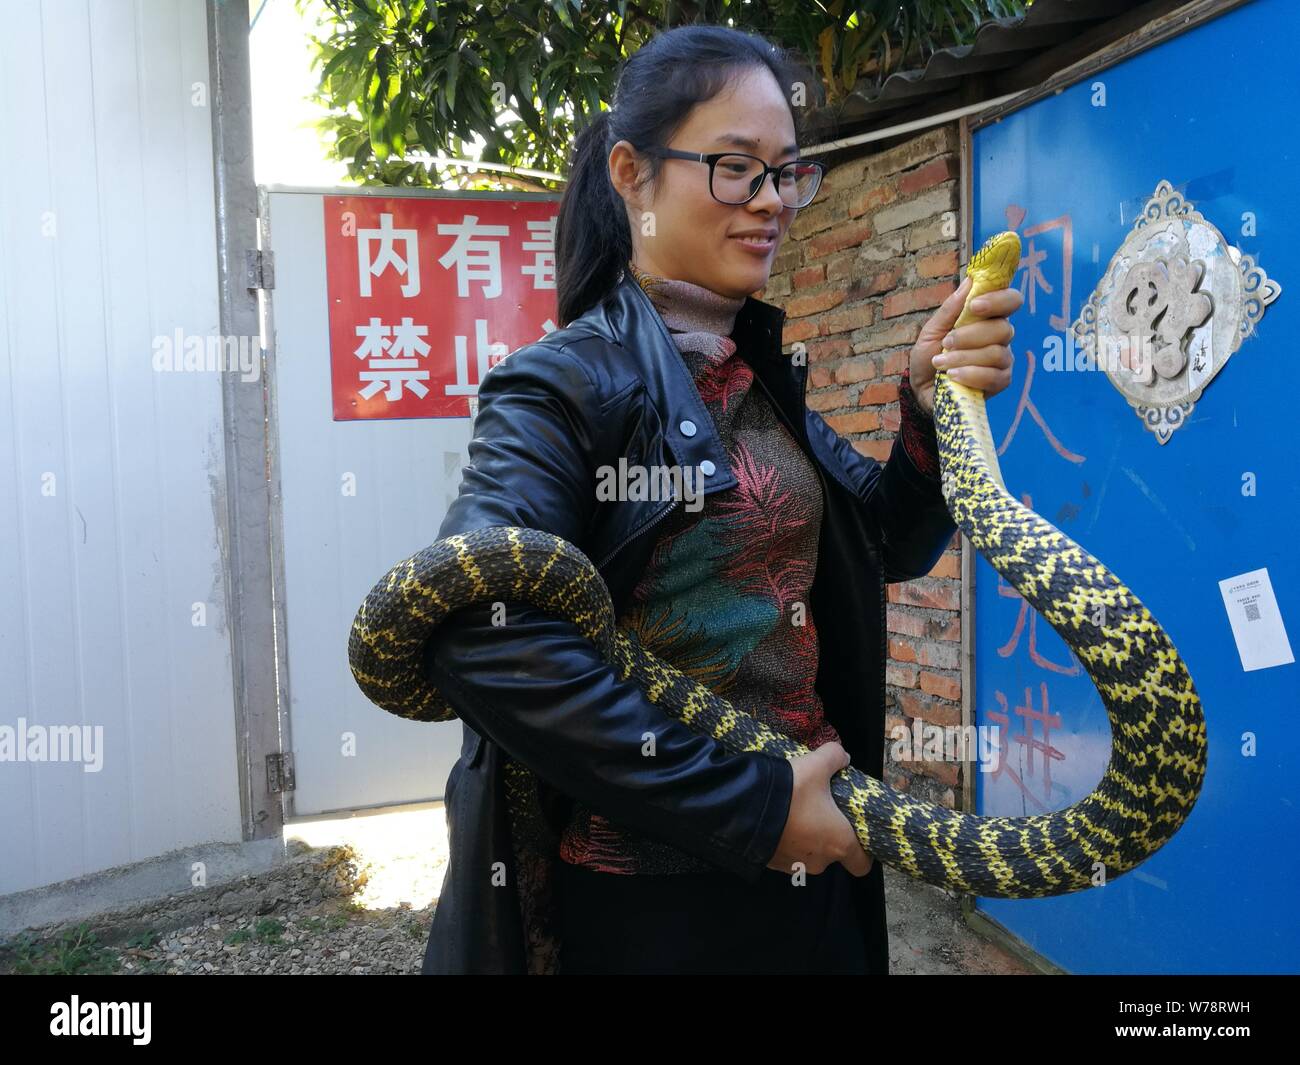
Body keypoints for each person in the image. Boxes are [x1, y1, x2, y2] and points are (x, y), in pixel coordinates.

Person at [419, 23, 1019, 975]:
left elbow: (890, 543)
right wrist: (752, 805)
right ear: (631, 173)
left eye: (788, 172)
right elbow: (481, 634)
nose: (774, 201)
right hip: (659, 904)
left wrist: (925, 400)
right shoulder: (561, 387)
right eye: (738, 168)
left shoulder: (755, 375)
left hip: (815, 862)